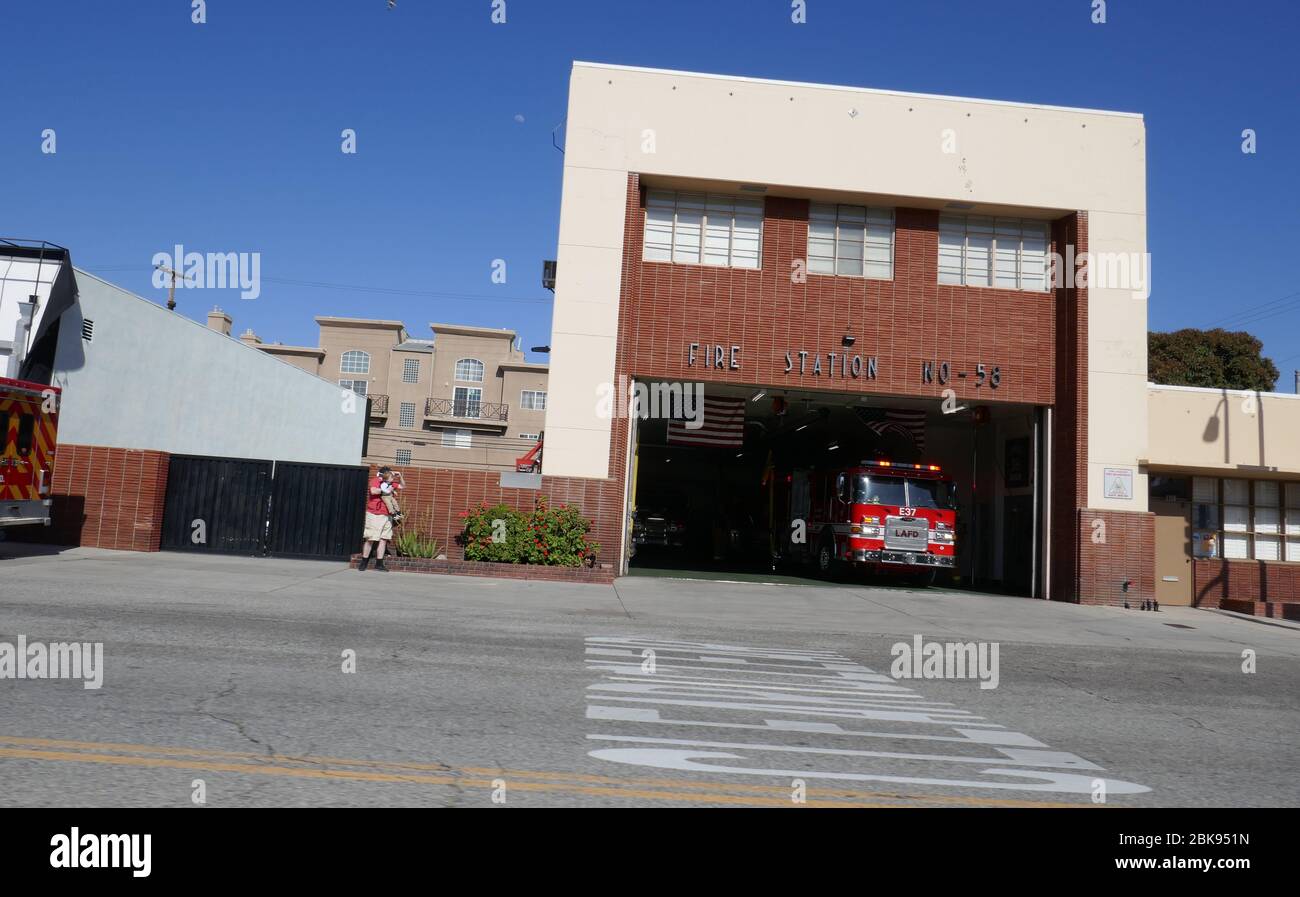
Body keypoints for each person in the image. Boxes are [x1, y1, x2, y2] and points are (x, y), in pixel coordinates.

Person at [358, 466, 402, 571]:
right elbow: (373, 491)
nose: (391, 475)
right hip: (375, 514)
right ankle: (364, 562)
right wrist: (386, 490)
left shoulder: (390, 483)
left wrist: (399, 477)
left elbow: (403, 486)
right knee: (371, 538)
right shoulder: (375, 480)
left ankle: (379, 564)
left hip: (387, 515)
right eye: (390, 473)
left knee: (383, 539)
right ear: (383, 474)